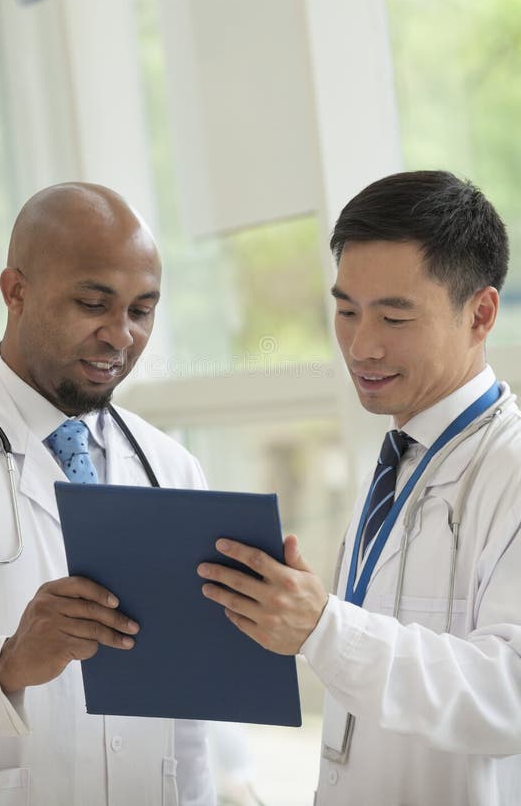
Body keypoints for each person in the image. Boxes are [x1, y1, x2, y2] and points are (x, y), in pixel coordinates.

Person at [197, 170, 521, 805]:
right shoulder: (400, 456)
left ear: (480, 314)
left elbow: (508, 694)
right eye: (346, 311)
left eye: (394, 317)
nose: (361, 346)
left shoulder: (509, 467)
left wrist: (324, 628)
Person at [0, 182, 215, 806]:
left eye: (142, 310)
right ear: (16, 291)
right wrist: (2, 668)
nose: (121, 336)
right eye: (92, 303)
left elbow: (187, 719)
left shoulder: (172, 468)